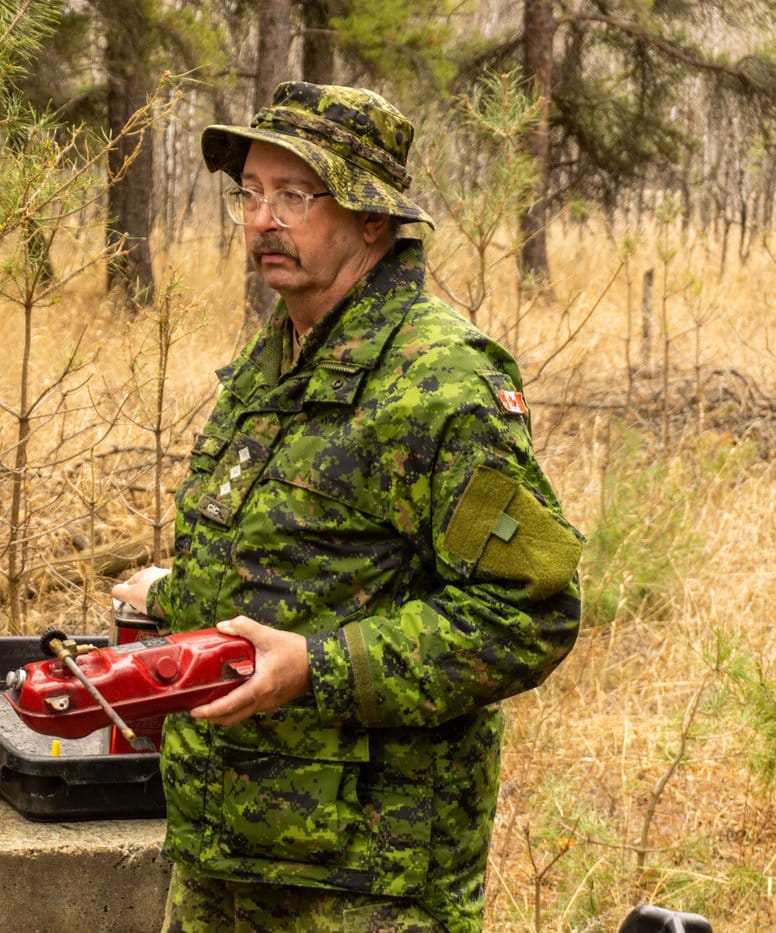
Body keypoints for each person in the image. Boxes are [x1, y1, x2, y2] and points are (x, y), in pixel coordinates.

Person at [111, 82, 584, 932]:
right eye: (250, 193)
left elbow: (528, 615)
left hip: (363, 885)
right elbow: (306, 569)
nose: (263, 220)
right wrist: (178, 596)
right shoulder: (281, 353)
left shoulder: (442, 380)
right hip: (226, 852)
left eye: (295, 194)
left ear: (373, 219)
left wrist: (318, 667)